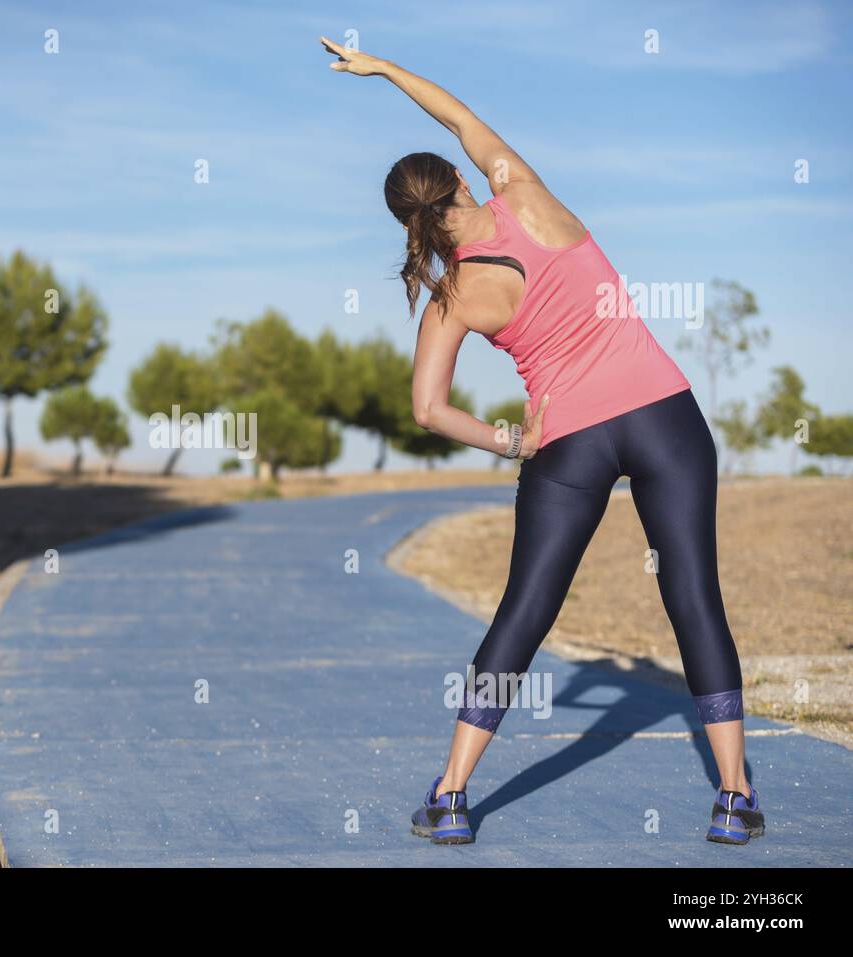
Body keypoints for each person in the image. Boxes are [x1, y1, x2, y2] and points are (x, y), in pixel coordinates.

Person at [321, 37, 764, 847]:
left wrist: (510, 440)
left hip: (568, 442)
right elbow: (457, 115)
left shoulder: (450, 297)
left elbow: (426, 409)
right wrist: (384, 69)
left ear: (409, 222)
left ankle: (452, 796)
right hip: (664, 412)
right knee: (693, 595)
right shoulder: (516, 186)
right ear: (458, 179)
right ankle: (734, 796)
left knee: (524, 612)